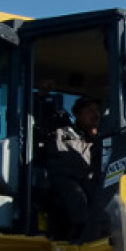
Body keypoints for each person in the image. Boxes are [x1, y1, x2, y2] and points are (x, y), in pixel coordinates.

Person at [47, 96, 100, 240]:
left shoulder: (107, 138)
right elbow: (68, 165)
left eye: (97, 110)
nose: (95, 115)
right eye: (90, 111)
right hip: (75, 189)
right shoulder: (64, 136)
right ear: (77, 115)